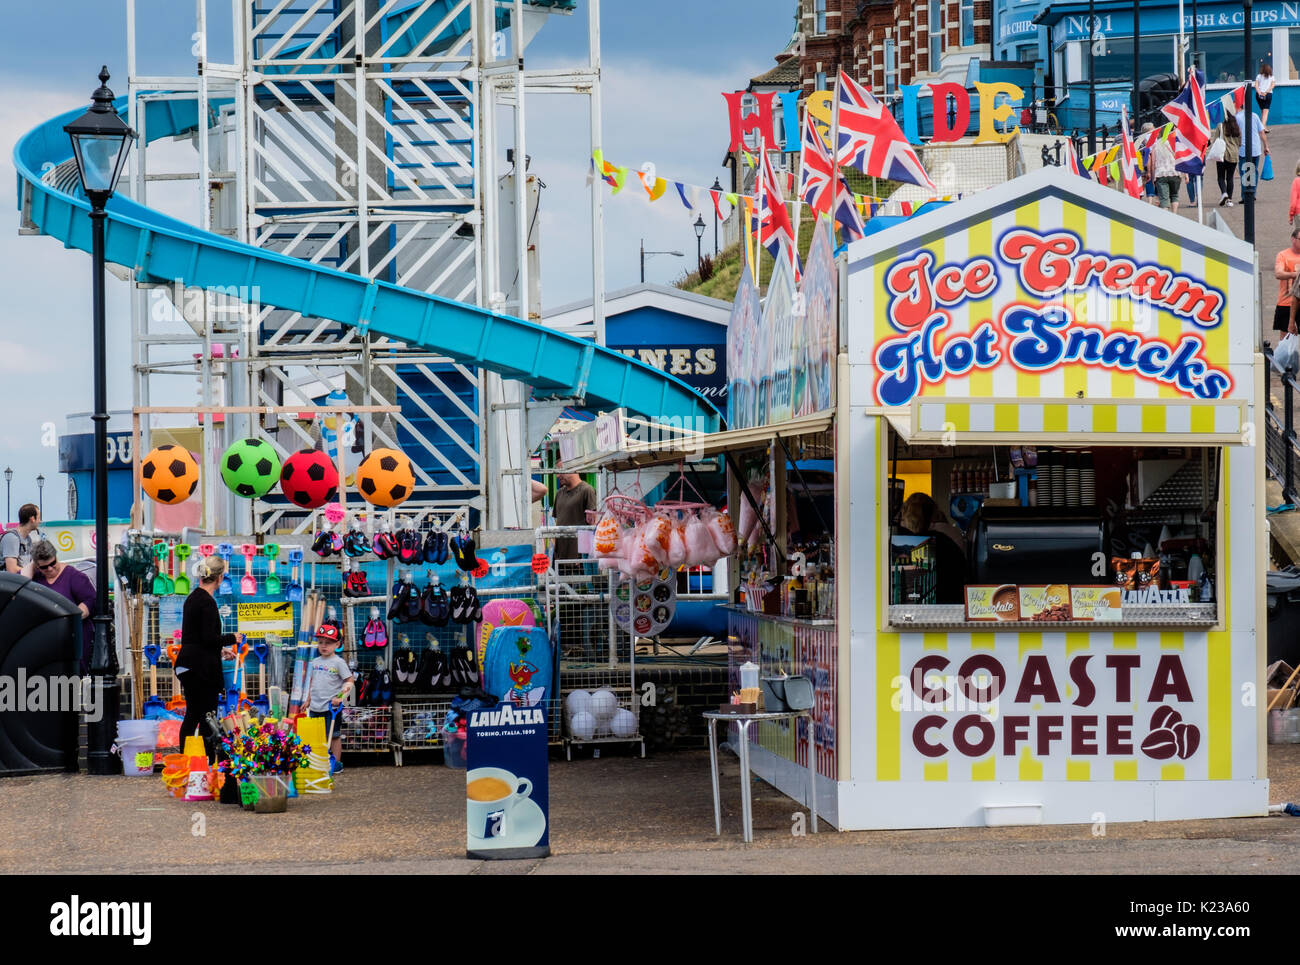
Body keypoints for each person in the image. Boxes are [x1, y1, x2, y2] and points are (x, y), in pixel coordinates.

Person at [176, 555, 243, 762]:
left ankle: (186, 760)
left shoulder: (192, 598)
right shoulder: (208, 602)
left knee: (193, 715)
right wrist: (233, 638)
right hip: (201, 669)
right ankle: (206, 764)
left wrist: (220, 650)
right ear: (220, 578)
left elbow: (195, 638)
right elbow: (208, 638)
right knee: (207, 717)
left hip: (188, 663)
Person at [27, 540, 96, 674]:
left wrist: (70, 617)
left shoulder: (74, 576)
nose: (50, 569)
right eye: (44, 567)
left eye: (53, 563)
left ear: (56, 557)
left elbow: (90, 600)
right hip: (47, 642)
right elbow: (21, 584)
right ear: (37, 566)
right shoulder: (36, 578)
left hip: (73, 638)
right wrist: (31, 567)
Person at [898, 493, 967, 605]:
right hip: (949, 607)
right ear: (933, 515)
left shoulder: (897, 541)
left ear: (904, 516)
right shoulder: (946, 542)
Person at [307, 623, 353, 773]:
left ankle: (336, 763)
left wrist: (340, 697)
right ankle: (320, 761)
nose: (323, 646)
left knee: (334, 736)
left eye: (328, 643)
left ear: (337, 644)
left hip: (331, 707)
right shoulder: (315, 662)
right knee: (317, 736)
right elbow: (311, 683)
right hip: (315, 706)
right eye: (320, 642)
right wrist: (307, 700)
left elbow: (349, 681)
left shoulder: (338, 663)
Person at [552, 472, 596, 565]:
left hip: (578, 558)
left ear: (573, 470)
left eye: (561, 471)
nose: (558, 476)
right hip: (559, 557)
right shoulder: (559, 493)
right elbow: (557, 522)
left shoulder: (587, 490)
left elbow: (592, 525)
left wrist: (586, 554)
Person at [1273, 227, 1300, 336]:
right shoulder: (1283, 255)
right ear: (1293, 239)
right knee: (1286, 338)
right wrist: (1296, 275)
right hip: (1286, 303)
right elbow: (1278, 273)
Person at [2, 503, 42, 573]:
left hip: (23, 581)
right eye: (39, 518)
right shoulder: (11, 538)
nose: (40, 521)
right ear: (32, 519)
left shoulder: (28, 539)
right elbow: (12, 570)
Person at [1148, 128, 1180, 212]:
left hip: (1160, 173)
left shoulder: (1155, 145)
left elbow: (1153, 163)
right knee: (1174, 195)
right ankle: (1174, 215)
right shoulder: (1174, 144)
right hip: (1175, 172)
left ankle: (1165, 217)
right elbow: (1179, 158)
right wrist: (1185, 174)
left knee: (1163, 198)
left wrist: (1153, 176)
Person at [1214, 114, 1241, 206]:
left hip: (1222, 154)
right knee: (1230, 177)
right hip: (1234, 155)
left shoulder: (1220, 126)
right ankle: (1229, 200)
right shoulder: (1237, 127)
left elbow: (1215, 140)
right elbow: (1240, 142)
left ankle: (1224, 193)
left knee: (1220, 177)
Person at [1257, 62, 1275, 132]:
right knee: (1266, 111)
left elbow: (1256, 85)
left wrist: (1260, 93)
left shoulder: (1258, 76)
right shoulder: (1272, 76)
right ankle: (1263, 127)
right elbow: (1272, 86)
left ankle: (1263, 127)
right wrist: (1266, 92)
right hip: (1267, 95)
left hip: (1259, 95)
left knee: (1262, 111)